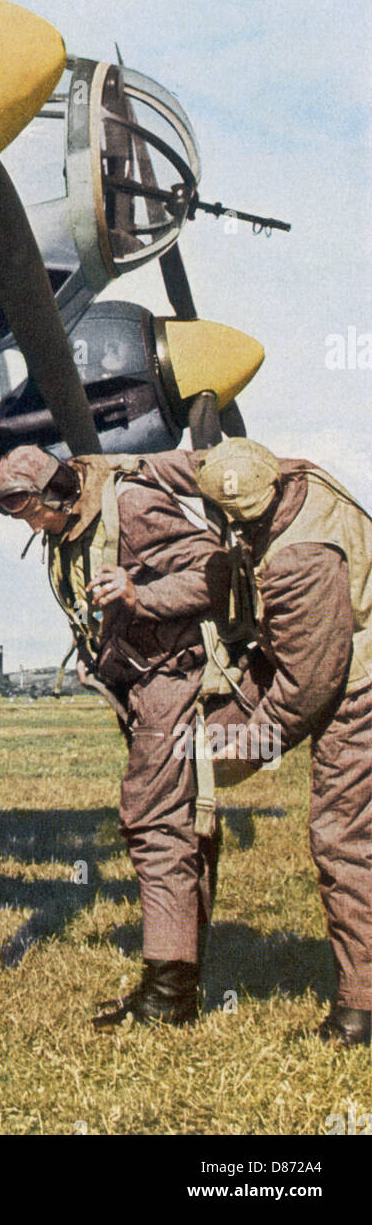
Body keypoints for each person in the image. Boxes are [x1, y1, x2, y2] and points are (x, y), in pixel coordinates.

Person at [0, 444, 239, 1029]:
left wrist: (140, 597)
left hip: (174, 678)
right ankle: (184, 969)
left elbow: (216, 573)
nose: (28, 524)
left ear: (56, 492)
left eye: (29, 511)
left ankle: (168, 993)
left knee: (151, 821)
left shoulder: (131, 505)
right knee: (176, 824)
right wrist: (95, 653)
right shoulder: (70, 524)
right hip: (136, 684)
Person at [195, 438, 372, 1047]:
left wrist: (234, 759)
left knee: (342, 836)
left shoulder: (302, 559)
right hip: (335, 660)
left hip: (359, 683)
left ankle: (361, 1007)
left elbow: (305, 693)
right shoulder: (296, 476)